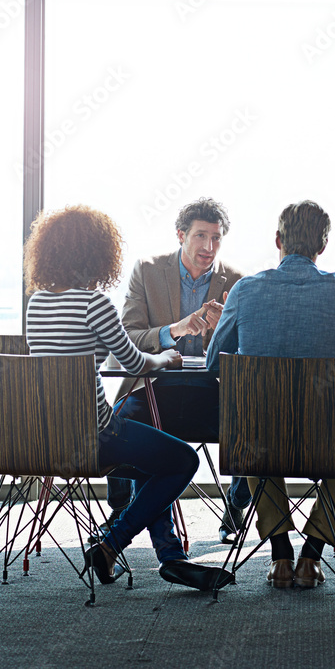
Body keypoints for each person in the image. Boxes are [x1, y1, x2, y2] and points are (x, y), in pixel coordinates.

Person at [24, 204, 231, 591]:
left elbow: (79, 358)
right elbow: (133, 359)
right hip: (99, 435)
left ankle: (166, 557)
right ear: (99, 254)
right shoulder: (94, 303)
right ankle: (115, 544)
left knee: (155, 456)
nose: (209, 244)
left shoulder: (36, 304)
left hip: (50, 435)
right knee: (180, 460)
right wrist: (168, 354)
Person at [206, 200, 335, 590]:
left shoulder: (245, 290)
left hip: (259, 444)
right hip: (325, 441)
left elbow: (213, 363)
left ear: (278, 240)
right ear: (322, 247)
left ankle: (279, 555)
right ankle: (312, 555)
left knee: (253, 431)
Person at [109, 198, 251, 544]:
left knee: (254, 425)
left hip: (210, 391)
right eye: (200, 236)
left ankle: (235, 505)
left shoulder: (237, 281)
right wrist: (175, 329)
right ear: (180, 235)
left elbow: (248, 353)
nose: (208, 247)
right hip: (154, 388)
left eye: (216, 238)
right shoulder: (147, 270)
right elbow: (127, 337)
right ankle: (122, 509)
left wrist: (221, 333)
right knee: (116, 423)